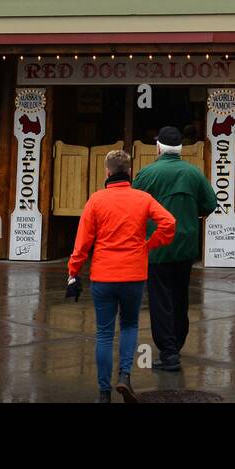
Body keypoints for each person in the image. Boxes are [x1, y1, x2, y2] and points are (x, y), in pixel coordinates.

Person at [66, 149, 175, 403]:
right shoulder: (143, 198)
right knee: (129, 325)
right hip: (134, 275)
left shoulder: (96, 200)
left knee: (104, 333)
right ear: (130, 172)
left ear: (107, 171)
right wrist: (149, 244)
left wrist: (73, 272)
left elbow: (82, 243)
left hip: (103, 275)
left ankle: (104, 393)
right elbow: (169, 223)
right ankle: (124, 377)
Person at [132, 125, 217, 372]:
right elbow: (211, 204)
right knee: (181, 297)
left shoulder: (146, 174)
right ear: (180, 149)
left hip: (157, 246)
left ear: (158, 147)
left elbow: (133, 207)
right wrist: (191, 214)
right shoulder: (194, 173)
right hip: (186, 246)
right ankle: (176, 346)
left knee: (160, 300)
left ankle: (168, 354)